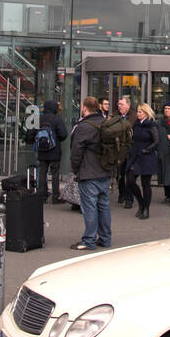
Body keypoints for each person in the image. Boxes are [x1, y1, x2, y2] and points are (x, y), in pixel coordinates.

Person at [68, 96, 111, 250]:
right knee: (104, 205)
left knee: (90, 207)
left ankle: (89, 240)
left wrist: (76, 169)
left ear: (84, 108)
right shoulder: (106, 123)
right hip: (105, 171)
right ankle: (105, 238)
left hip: (88, 172)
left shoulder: (84, 127)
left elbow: (76, 152)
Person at [127, 103, 161, 219]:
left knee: (146, 184)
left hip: (146, 157)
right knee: (130, 181)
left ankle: (146, 209)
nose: (138, 114)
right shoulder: (136, 124)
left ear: (146, 113)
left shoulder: (151, 125)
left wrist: (147, 150)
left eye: (140, 112)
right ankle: (141, 203)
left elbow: (156, 141)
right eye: (137, 111)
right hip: (135, 156)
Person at [35, 99, 69, 204]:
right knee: (55, 173)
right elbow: (63, 134)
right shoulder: (57, 119)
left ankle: (41, 195)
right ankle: (55, 196)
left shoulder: (40, 118)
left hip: (41, 150)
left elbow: (33, 132)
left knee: (42, 172)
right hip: (54, 150)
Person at [104, 97, 134, 208]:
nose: (119, 106)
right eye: (118, 104)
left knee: (129, 175)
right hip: (117, 150)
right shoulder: (114, 115)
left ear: (128, 106)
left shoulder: (133, 116)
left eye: (121, 104)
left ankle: (129, 198)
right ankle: (121, 194)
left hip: (130, 150)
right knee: (119, 174)